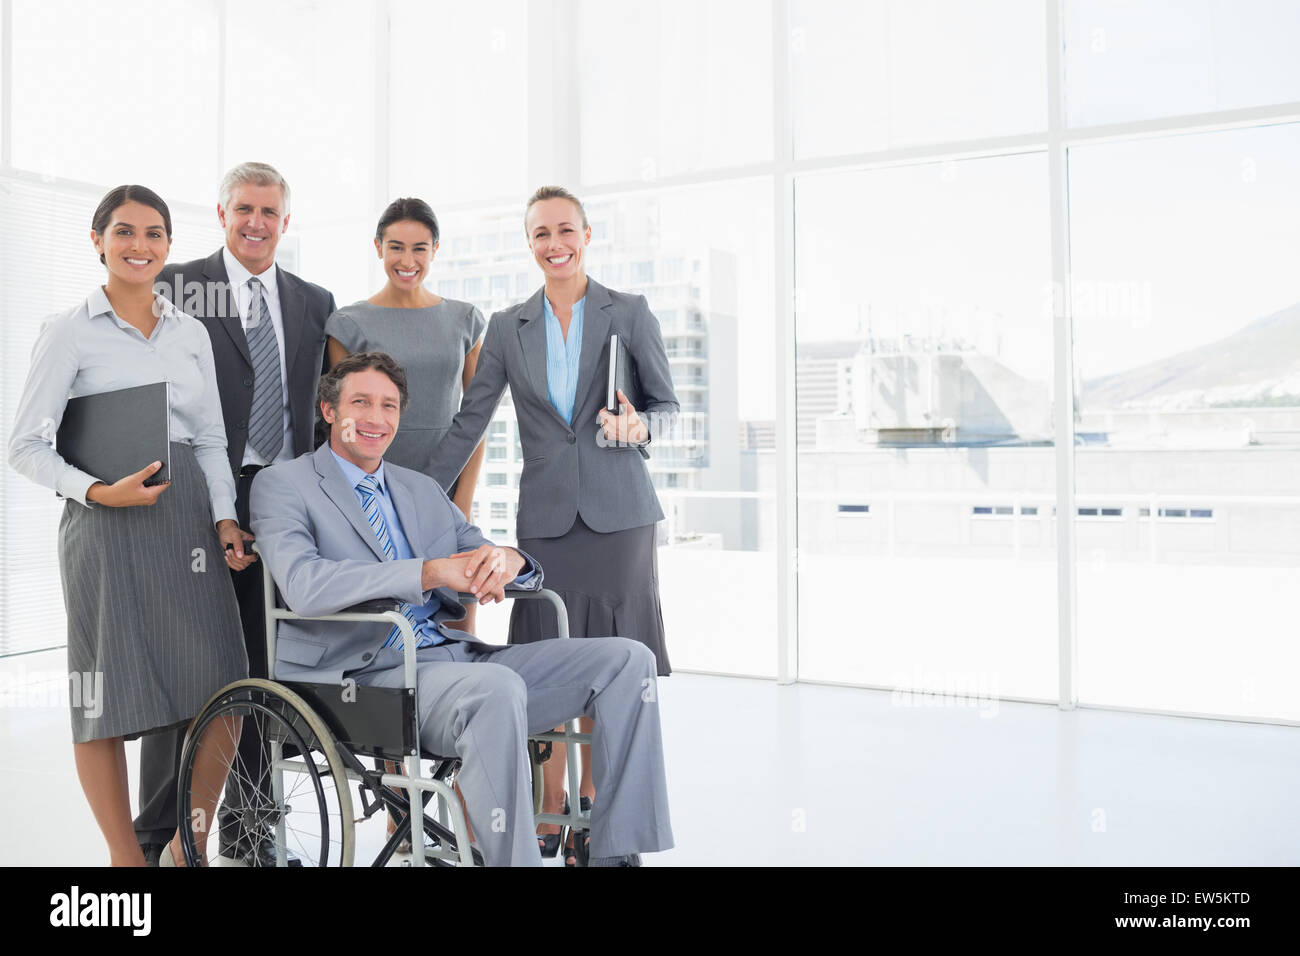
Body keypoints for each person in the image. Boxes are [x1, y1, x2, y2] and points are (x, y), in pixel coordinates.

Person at [250, 351, 674, 867]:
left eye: (388, 406)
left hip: (455, 661)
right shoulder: (283, 484)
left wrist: (508, 560)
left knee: (629, 661)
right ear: (329, 410)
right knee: (496, 690)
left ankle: (612, 854)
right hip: (361, 676)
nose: (375, 418)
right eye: (360, 402)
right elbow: (302, 584)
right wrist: (426, 572)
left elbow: (480, 552)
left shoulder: (420, 489)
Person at [428, 185, 679, 864]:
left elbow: (669, 406)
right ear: (530, 243)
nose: (554, 243)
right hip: (546, 523)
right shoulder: (510, 326)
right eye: (541, 233)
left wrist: (639, 425)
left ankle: (594, 811)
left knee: (616, 659)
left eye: (565, 230)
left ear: (587, 235)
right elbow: (470, 420)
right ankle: (547, 805)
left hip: (621, 518)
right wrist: (414, 487)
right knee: (546, 659)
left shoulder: (628, 312)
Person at [7, 185, 248, 866]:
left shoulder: (190, 331)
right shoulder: (68, 331)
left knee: (224, 687)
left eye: (153, 233)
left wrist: (226, 518)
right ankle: (124, 857)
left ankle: (186, 844)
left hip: (189, 524)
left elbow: (209, 440)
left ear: (169, 246)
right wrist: (96, 493)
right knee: (102, 697)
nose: (139, 245)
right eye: (123, 231)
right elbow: (25, 445)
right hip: (103, 527)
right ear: (97, 241)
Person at [134, 162, 336, 867]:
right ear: (221, 216)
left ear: (286, 220)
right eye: (244, 209)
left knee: (262, 667)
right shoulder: (177, 285)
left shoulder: (315, 301)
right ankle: (158, 837)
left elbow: (316, 410)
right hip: (195, 496)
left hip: (283, 500)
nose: (257, 222)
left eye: (270, 212)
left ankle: (248, 834)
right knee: (186, 669)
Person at [324, 197, 487, 633]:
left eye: (419, 248)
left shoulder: (464, 319)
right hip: (373, 489)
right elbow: (344, 421)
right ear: (378, 247)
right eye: (396, 246)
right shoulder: (348, 323)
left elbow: (477, 419)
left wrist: (462, 504)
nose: (407, 260)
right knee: (386, 623)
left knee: (456, 619)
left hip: (446, 487)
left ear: (436, 249)